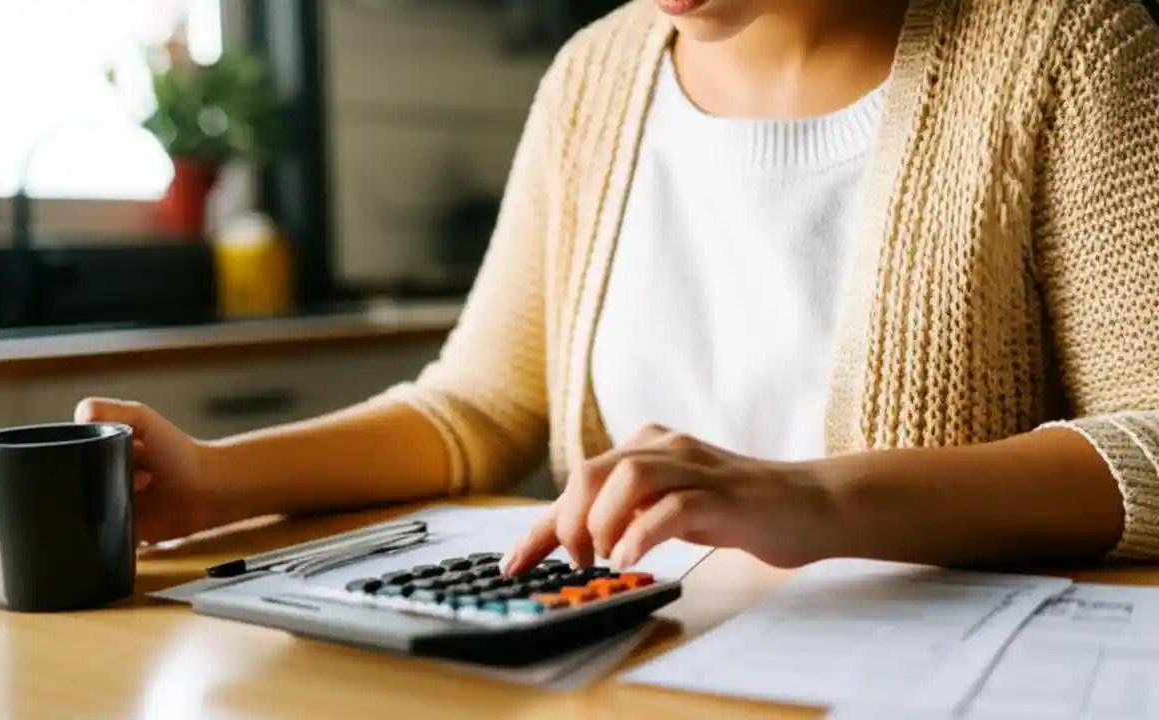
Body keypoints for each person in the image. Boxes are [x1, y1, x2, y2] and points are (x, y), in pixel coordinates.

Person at [78, 0, 1159, 576]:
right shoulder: (593, 76)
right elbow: (476, 407)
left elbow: (1152, 443)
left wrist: (815, 499)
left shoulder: (1061, 44)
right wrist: (212, 480)